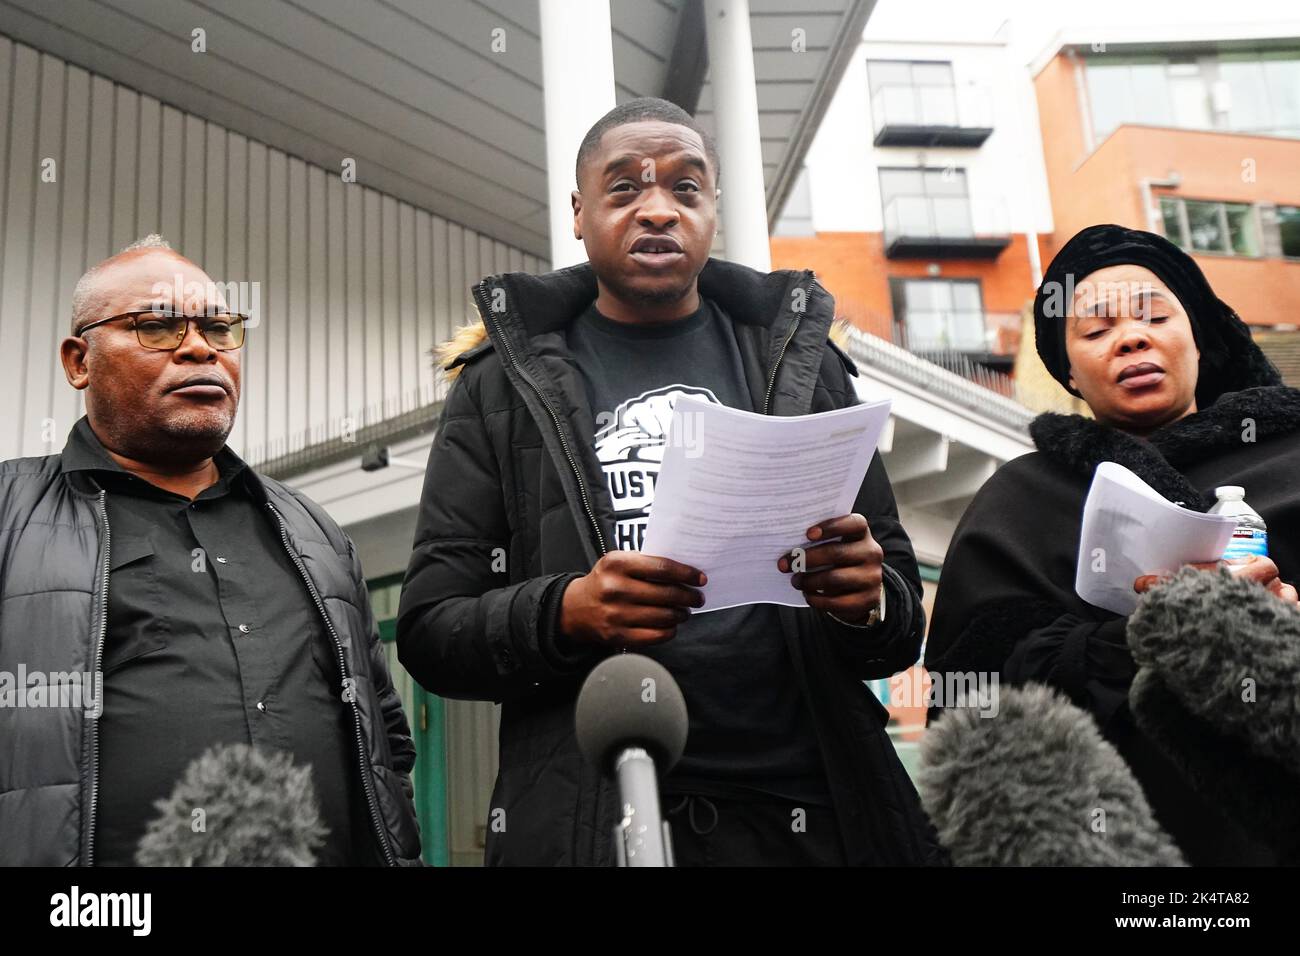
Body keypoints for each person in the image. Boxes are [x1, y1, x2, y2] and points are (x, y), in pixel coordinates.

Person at [398, 98, 944, 866]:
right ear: (579, 213)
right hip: (594, 825)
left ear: (713, 210)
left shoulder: (804, 364)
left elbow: (896, 624)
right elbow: (430, 630)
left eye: (686, 189)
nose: (658, 209)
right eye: (625, 189)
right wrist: (569, 611)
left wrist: (865, 601)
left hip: (815, 814)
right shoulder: (498, 388)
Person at [0, 236, 421, 866]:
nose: (200, 348)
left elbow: (385, 740)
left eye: (220, 329)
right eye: (158, 326)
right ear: (79, 360)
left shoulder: (313, 532)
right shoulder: (10, 517)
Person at [925, 223, 1300, 865]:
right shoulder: (1019, 500)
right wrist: (1134, 641)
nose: (1131, 336)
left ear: (1200, 340)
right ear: (1069, 372)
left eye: (1156, 315)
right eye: (1096, 331)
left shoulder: (1290, 458)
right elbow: (971, 695)